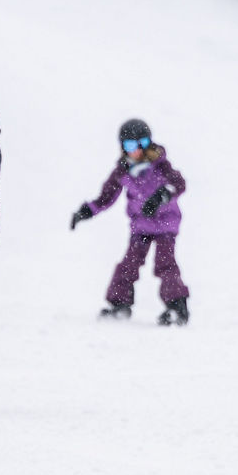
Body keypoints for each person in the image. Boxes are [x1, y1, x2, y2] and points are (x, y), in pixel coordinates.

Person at [70, 118, 190, 325]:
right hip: (141, 225)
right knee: (129, 264)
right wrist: (86, 211)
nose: (134, 150)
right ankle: (119, 304)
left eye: (140, 144)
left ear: (148, 143)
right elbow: (106, 197)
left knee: (165, 263)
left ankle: (177, 307)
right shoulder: (123, 171)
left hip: (165, 224)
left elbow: (178, 184)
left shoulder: (160, 164)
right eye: (129, 145)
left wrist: (162, 196)